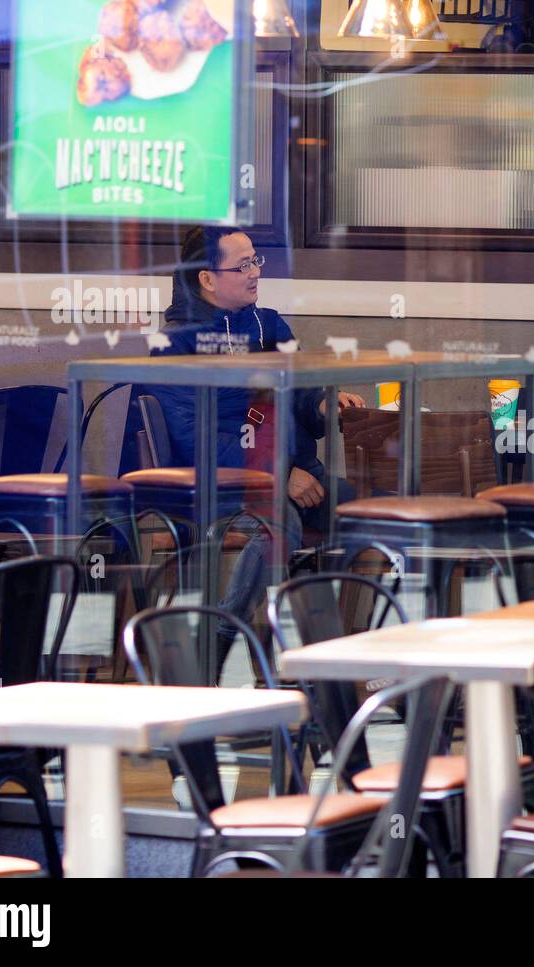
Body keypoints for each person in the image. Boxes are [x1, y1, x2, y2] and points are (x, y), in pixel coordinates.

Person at [144, 226, 365, 684]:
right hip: (220, 490)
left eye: (256, 261)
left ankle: (336, 666)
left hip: (295, 478)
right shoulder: (176, 344)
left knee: (374, 511)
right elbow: (195, 442)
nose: (255, 272)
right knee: (278, 523)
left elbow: (300, 398)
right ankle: (218, 647)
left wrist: (327, 404)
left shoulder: (270, 325)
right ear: (207, 279)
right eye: (242, 265)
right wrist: (277, 477)